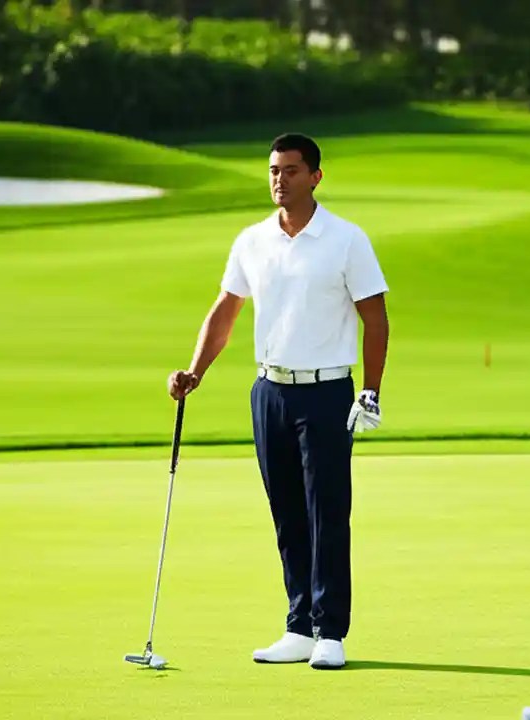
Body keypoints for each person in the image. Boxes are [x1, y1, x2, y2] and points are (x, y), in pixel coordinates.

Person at [167, 132, 390, 670]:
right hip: (269, 390)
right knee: (287, 513)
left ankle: (330, 630)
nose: (279, 180)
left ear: (315, 177)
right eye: (273, 170)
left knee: (328, 512)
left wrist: (371, 391)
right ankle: (299, 627)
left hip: (328, 390)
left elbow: (376, 318)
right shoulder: (252, 240)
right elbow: (226, 309)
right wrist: (195, 370)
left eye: (290, 170)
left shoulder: (346, 239)